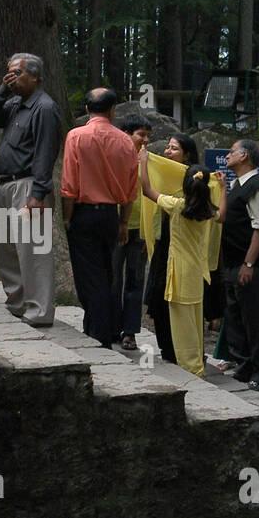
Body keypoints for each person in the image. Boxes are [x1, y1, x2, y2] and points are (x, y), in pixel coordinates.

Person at [0, 52, 60, 325]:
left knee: (33, 250)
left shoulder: (44, 108)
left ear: (35, 76)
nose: (12, 77)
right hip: (4, 184)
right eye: (9, 72)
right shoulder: (14, 103)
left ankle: (39, 312)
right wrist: (2, 89)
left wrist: (39, 194)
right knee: (9, 248)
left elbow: (45, 153)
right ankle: (17, 303)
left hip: (27, 186)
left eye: (18, 73)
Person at [62, 88, 138, 348]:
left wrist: (68, 218)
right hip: (110, 215)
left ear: (86, 109)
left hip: (83, 213)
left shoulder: (76, 136)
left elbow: (69, 184)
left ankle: (99, 335)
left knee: (88, 277)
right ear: (113, 110)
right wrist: (124, 223)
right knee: (107, 274)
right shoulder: (126, 141)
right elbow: (130, 190)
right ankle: (97, 328)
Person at [139, 158, 217, 377]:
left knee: (182, 325)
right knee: (195, 320)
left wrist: (144, 162)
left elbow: (147, 190)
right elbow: (224, 215)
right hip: (197, 272)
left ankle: (191, 367)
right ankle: (197, 363)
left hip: (179, 272)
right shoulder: (209, 210)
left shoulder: (177, 206)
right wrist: (225, 191)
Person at [214, 139, 259, 392]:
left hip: (248, 264)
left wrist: (249, 263)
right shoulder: (236, 185)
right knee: (235, 316)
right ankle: (246, 364)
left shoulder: (257, 187)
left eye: (231, 152)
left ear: (245, 156)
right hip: (232, 262)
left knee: (254, 318)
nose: (227, 156)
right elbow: (224, 217)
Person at [142, 133, 199, 363]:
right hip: (164, 244)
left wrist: (145, 162)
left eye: (174, 148)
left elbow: (148, 190)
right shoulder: (165, 173)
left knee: (180, 303)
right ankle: (168, 349)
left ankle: (182, 352)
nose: (167, 152)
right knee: (159, 298)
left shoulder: (195, 181)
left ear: (187, 154)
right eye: (167, 147)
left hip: (184, 249)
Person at [111, 115, 150, 351]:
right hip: (116, 227)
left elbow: (154, 199)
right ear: (127, 135)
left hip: (140, 230)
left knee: (135, 281)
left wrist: (149, 234)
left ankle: (130, 332)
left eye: (148, 135)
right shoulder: (114, 159)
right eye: (141, 135)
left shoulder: (150, 162)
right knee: (113, 279)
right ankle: (112, 326)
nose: (145, 140)